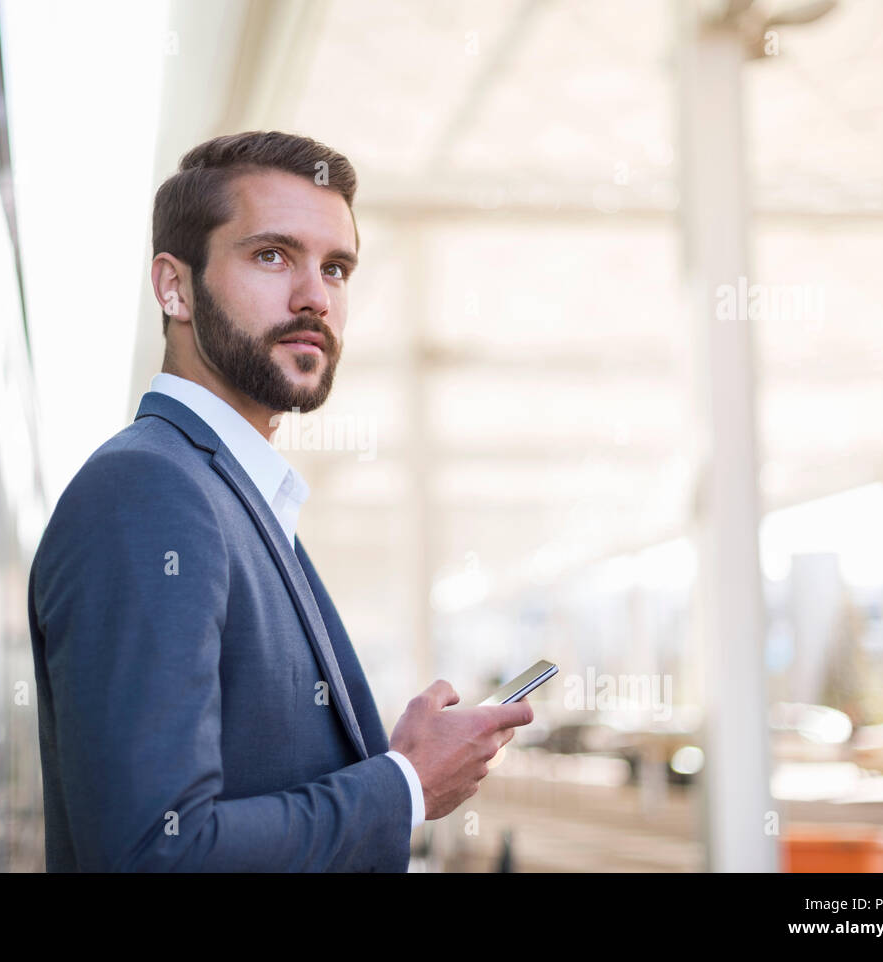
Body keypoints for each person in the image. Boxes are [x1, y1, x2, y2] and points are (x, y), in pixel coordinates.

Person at [27, 131, 533, 871]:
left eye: (336, 268)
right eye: (272, 256)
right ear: (174, 288)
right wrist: (404, 786)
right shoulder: (146, 492)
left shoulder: (234, 496)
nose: (315, 297)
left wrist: (389, 765)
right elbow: (152, 853)